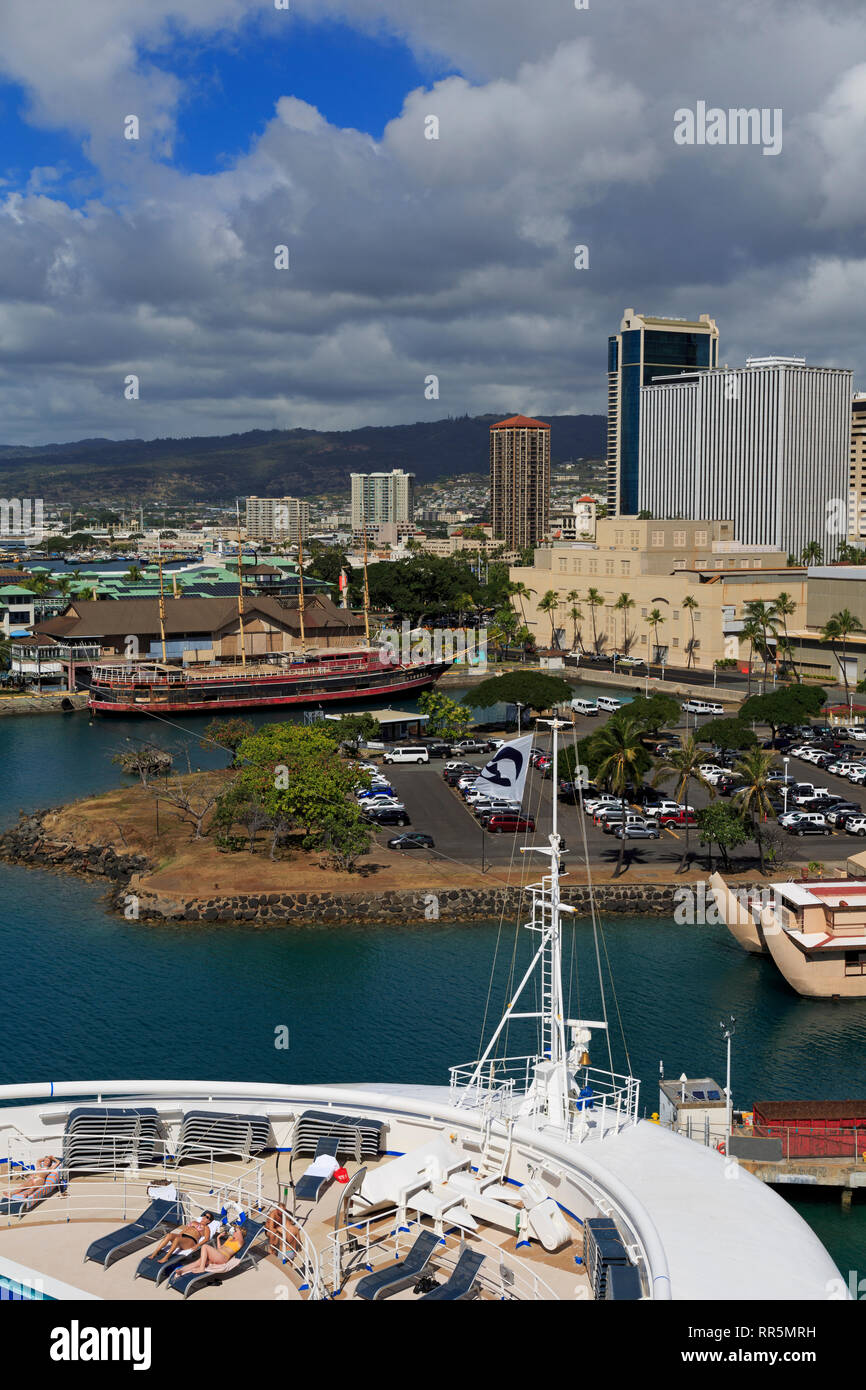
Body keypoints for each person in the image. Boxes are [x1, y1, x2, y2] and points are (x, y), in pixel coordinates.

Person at [172, 1221, 245, 1278]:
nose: (234, 1232)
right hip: (217, 1255)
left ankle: (202, 1268)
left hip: (223, 1258)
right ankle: (182, 1271)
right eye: (234, 1231)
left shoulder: (240, 1242)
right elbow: (220, 1248)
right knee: (198, 1262)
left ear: (241, 1233)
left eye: (236, 1231)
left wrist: (238, 1228)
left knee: (205, 1246)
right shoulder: (230, 1238)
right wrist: (218, 1238)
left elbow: (240, 1235)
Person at [152, 1210, 217, 1263]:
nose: (204, 1217)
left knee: (177, 1239)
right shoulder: (194, 1222)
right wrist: (177, 1235)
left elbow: (206, 1239)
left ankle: (166, 1257)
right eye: (204, 1215)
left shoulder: (206, 1228)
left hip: (191, 1241)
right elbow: (184, 1230)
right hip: (182, 1237)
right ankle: (155, 1252)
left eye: (207, 1217)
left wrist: (197, 1246)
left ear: (209, 1221)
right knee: (169, 1235)